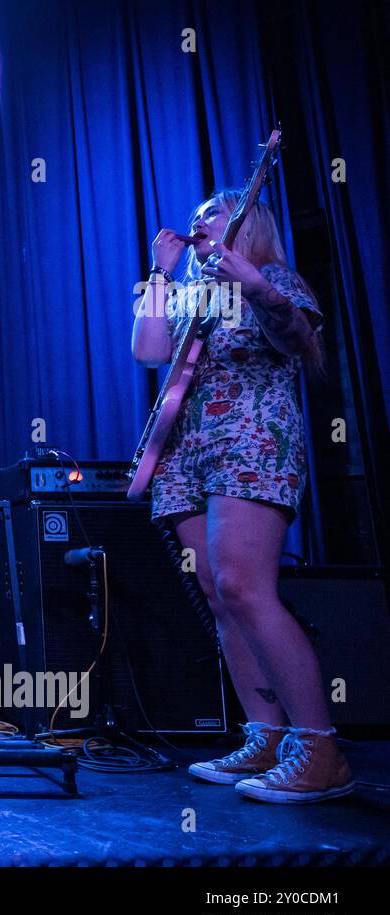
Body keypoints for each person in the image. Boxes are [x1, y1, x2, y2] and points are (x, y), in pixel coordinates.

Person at [132, 189, 352, 803]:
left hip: (251, 438)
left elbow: (297, 342)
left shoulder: (273, 276)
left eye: (212, 213)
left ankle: (319, 748)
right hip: (187, 449)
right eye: (195, 214)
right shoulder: (188, 293)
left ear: (247, 221)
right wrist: (159, 274)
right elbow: (148, 352)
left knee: (245, 587)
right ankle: (265, 733)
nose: (198, 220)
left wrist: (253, 283)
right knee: (218, 594)